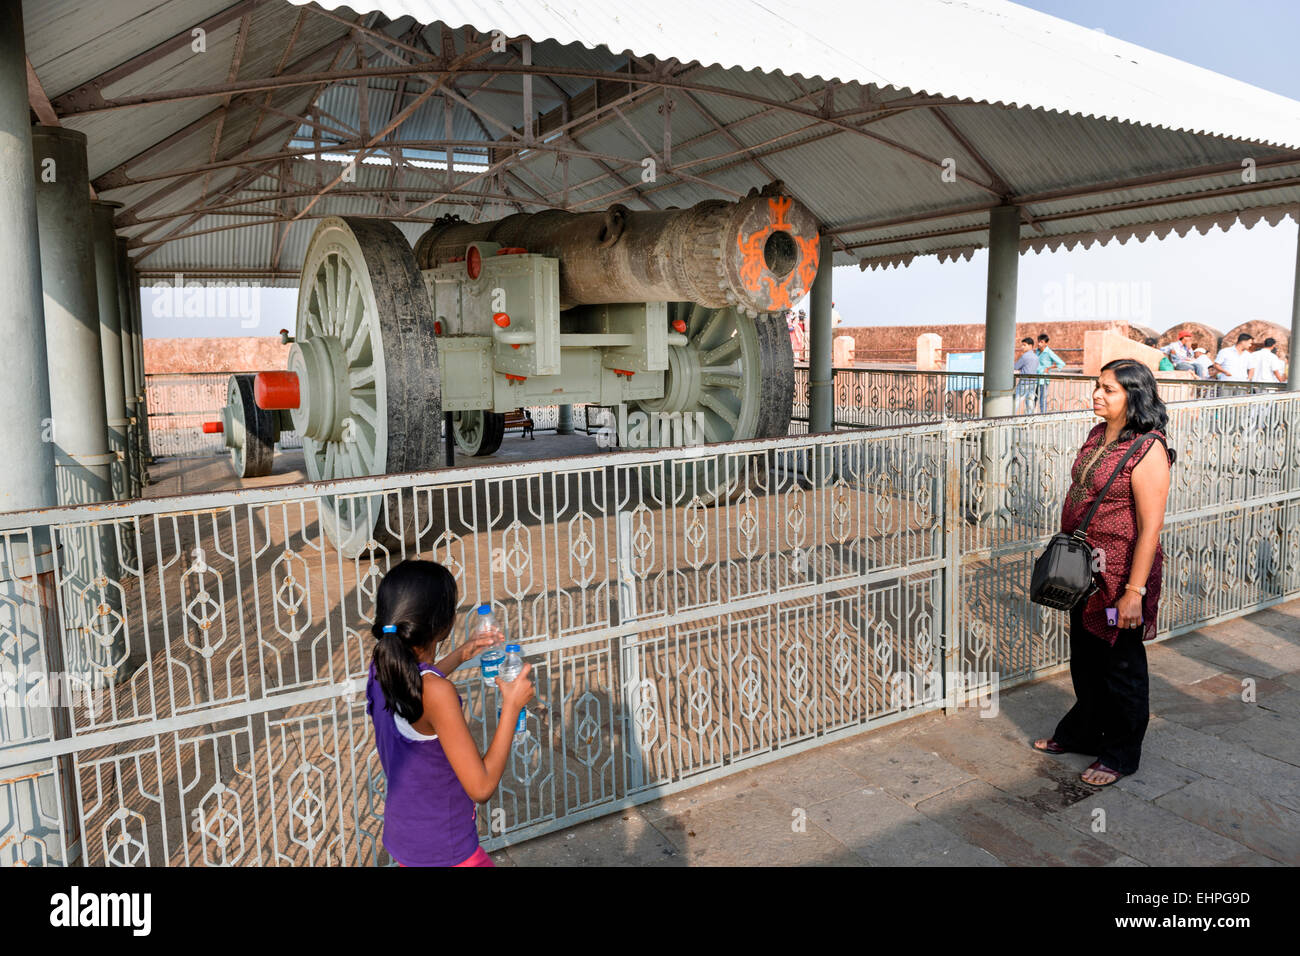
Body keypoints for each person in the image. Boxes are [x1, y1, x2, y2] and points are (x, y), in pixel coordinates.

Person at [1033, 359, 1174, 786]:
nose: (1097, 394)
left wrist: (1133, 592)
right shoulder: (1098, 435)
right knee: (1087, 659)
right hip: (1085, 577)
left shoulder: (1149, 449)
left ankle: (1120, 753)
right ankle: (1083, 733)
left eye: (1108, 389)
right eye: (1098, 386)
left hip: (1120, 581)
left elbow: (1150, 529)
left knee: (1121, 663)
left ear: (1134, 396)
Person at [366, 560, 535, 866]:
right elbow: (481, 787)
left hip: (405, 837)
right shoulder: (438, 693)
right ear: (443, 624)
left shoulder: (381, 668)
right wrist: (511, 707)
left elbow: (417, 692)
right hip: (446, 849)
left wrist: (460, 654)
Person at [1035, 333, 1067, 412]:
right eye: (1038, 341)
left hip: (1044, 379)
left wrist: (1049, 368)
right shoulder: (1037, 351)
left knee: (1042, 399)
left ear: (1046, 343)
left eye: (1041, 342)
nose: (1039, 343)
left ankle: (1043, 416)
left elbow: (1061, 363)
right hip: (1035, 378)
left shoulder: (1049, 352)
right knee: (1033, 398)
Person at [1013, 337, 1039, 413]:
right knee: (1030, 404)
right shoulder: (1036, 357)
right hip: (1033, 383)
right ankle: (1029, 421)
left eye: (1024, 345)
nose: (1022, 347)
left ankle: (1010, 418)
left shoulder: (1025, 356)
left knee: (1016, 402)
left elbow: (1015, 367)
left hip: (1024, 383)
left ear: (1030, 346)